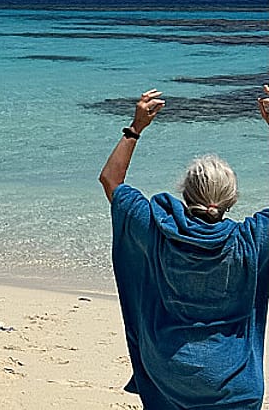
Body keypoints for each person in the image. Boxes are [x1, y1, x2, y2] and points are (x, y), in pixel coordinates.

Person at [100, 85, 269, 410]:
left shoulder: (155, 228)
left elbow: (110, 180)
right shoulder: (249, 242)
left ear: (185, 193)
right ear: (231, 200)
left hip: (168, 371)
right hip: (234, 383)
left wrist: (135, 128)